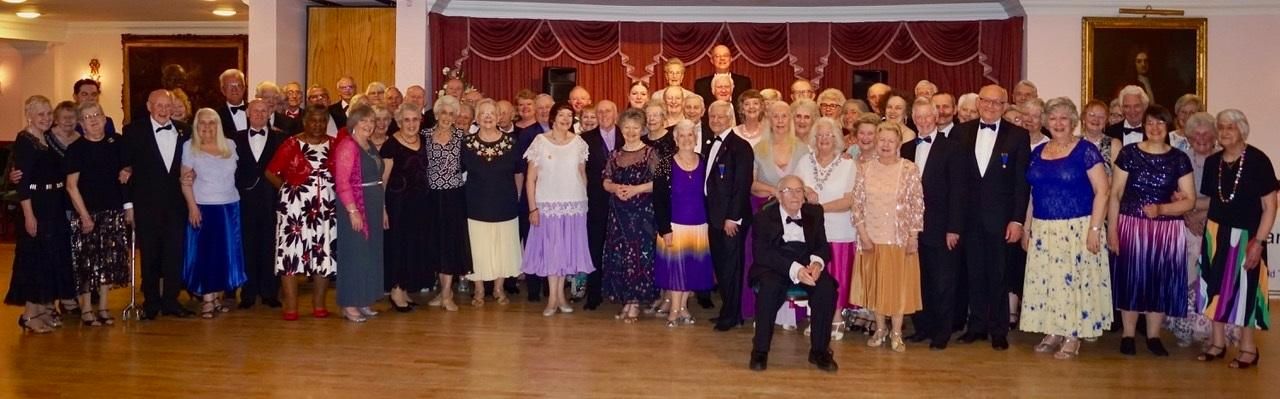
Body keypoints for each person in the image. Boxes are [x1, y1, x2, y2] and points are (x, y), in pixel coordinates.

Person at [1017, 98, 1113, 359]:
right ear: (1047, 122)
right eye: (1053, 118)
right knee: (1050, 283)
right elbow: (1031, 193)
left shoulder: (1085, 150)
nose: (1058, 123)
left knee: (1073, 283)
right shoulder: (1038, 152)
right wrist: (1027, 228)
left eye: (1064, 118)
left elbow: (1103, 191)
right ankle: (1053, 330)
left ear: (1073, 122)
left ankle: (1073, 334)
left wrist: (1094, 229)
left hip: (1078, 228)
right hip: (1044, 229)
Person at [1108, 104, 1196, 356]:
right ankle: (1127, 335)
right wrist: (1112, 229)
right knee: (1131, 280)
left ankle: (1154, 336)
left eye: (1160, 123)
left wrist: (1162, 209)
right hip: (1131, 225)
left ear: (1167, 126)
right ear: (1143, 127)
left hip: (1166, 230)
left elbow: (1189, 200)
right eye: (1150, 123)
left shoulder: (1179, 158)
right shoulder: (1128, 153)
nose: (1155, 128)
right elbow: (1115, 193)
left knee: (1160, 280)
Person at [952, 85, 1030, 351]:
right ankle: (976, 327)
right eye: (986, 101)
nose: (990, 106)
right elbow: (956, 182)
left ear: (1005, 106)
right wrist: (955, 223)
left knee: (998, 275)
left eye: (997, 103)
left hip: (1001, 219)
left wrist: (1017, 220)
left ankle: (998, 330)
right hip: (969, 218)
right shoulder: (961, 132)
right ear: (978, 103)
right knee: (973, 274)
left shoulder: (1018, 135)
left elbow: (1022, 183)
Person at [1195, 109, 1275, 369]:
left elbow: (1270, 206)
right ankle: (1217, 344)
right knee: (1215, 287)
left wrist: (1259, 242)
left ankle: (1248, 349)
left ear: (1242, 129)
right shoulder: (1213, 161)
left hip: (1248, 236)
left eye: (1230, 127)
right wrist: (1183, 203)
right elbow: (1210, 201)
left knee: (1246, 291)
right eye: (1221, 127)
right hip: (1216, 234)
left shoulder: (1258, 160)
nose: (1224, 132)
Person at [748, 175, 839, 372]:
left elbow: (823, 246)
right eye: (789, 191)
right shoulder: (763, 216)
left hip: (807, 263)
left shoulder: (814, 213)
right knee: (769, 288)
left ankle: (819, 351)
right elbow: (762, 254)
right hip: (776, 265)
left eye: (799, 191)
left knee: (827, 288)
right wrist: (796, 270)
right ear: (779, 196)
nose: (795, 195)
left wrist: (816, 264)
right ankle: (760, 350)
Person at [850, 122, 925, 353]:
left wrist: (913, 235)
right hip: (872, 237)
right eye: (881, 140)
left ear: (898, 144)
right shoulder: (865, 168)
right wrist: (863, 234)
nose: (885, 145)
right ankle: (880, 329)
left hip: (899, 239)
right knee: (877, 288)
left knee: (897, 288)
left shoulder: (909, 169)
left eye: (890, 141)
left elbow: (917, 205)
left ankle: (896, 332)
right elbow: (857, 204)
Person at [122, 90, 194, 320]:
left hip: (176, 205)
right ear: (149, 106)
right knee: (150, 255)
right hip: (146, 205)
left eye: (167, 105)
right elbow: (124, 171)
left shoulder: (184, 131)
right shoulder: (134, 131)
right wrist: (128, 206)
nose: (164, 110)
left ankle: (171, 301)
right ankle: (151, 302)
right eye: (159, 105)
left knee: (174, 254)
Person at [899, 101, 965, 350]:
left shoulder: (953, 148)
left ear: (936, 117)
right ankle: (923, 328)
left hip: (941, 228)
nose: (924, 121)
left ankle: (942, 332)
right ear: (912, 119)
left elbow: (959, 192)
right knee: (919, 281)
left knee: (943, 283)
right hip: (912, 230)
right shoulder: (905, 149)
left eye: (928, 117)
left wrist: (954, 228)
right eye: (919, 117)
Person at [6, 96, 74, 333]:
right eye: (40, 114)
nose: (45, 118)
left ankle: (42, 311)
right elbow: (22, 183)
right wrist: (29, 215)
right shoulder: (25, 140)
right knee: (34, 261)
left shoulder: (45, 138)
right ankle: (29, 316)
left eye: (48, 113)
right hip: (37, 207)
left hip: (52, 205)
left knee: (48, 260)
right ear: (29, 116)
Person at [265, 105, 336, 321]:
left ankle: (319, 305)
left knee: (322, 254)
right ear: (304, 121)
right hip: (294, 210)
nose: (317, 125)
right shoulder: (292, 143)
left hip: (325, 209)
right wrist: (288, 189)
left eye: (322, 120)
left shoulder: (334, 144)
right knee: (291, 255)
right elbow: (270, 172)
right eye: (313, 120)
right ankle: (291, 307)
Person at [522, 102, 594, 316]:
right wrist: (533, 208)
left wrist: (585, 200)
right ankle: (552, 299)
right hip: (547, 206)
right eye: (561, 115)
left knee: (565, 253)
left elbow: (582, 174)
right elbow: (530, 179)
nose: (565, 119)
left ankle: (561, 297)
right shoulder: (540, 142)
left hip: (573, 206)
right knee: (552, 252)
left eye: (570, 115)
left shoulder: (579, 142)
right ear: (553, 118)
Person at [64, 101, 131, 327]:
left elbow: (129, 165)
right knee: (86, 263)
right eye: (87, 117)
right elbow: (71, 186)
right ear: (81, 124)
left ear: (104, 118)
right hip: (87, 213)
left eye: (97, 115)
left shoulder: (117, 142)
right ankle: (85, 310)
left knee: (107, 262)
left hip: (112, 210)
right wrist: (84, 216)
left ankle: (103, 307)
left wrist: (128, 170)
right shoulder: (76, 149)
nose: (93, 120)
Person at [179, 108, 247, 319]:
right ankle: (207, 299)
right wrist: (192, 207)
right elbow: (185, 181)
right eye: (203, 123)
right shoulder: (190, 147)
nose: (207, 127)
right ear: (196, 126)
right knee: (205, 254)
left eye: (212, 122)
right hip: (203, 207)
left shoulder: (231, 145)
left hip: (229, 206)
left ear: (218, 125)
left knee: (224, 255)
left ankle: (217, 298)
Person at [796, 117, 856, 341]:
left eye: (828, 136)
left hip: (839, 230)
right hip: (811, 232)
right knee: (815, 273)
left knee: (837, 274)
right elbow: (797, 190)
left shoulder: (848, 164)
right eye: (819, 135)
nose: (823, 140)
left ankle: (837, 316)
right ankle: (815, 316)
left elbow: (849, 200)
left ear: (836, 139)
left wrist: (819, 208)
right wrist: (806, 191)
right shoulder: (804, 161)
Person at [747, 100, 808, 320]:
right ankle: (768, 311)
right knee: (770, 261)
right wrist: (777, 190)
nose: (780, 120)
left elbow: (807, 183)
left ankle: (792, 315)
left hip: (794, 215)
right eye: (775, 116)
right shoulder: (759, 148)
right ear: (769, 120)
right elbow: (751, 183)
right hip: (767, 214)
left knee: (791, 257)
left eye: (784, 116)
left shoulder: (802, 148)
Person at [653, 120, 715, 327]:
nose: (686, 139)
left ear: (695, 138)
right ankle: (674, 310)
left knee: (691, 270)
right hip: (674, 226)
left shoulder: (705, 161)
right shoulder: (665, 163)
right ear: (675, 139)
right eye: (682, 136)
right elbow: (659, 199)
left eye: (690, 135)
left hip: (700, 226)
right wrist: (664, 229)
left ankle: (684, 307)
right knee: (674, 270)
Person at [462, 101, 524, 306]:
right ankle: (478, 289)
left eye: (492, 113)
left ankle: (499, 288)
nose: (488, 117)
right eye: (483, 113)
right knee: (478, 247)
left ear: (499, 117)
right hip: (476, 203)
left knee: (503, 247)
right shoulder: (467, 143)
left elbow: (518, 173)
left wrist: (516, 197)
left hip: (505, 202)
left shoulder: (512, 142)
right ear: (476, 118)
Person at [602, 109, 659, 322]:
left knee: (639, 256)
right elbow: (605, 181)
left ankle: (635, 303)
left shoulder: (652, 153)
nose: (631, 131)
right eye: (627, 127)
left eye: (635, 127)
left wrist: (636, 189)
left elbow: (661, 183)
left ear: (642, 129)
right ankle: (626, 301)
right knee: (621, 256)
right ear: (621, 128)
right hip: (618, 214)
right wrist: (615, 187)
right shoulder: (614, 154)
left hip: (643, 214)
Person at [703, 100, 755, 332]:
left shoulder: (740, 146)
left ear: (730, 119)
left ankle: (733, 316)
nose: (715, 120)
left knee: (731, 268)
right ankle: (727, 310)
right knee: (721, 267)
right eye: (712, 117)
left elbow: (742, 185)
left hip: (729, 220)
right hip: (714, 216)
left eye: (720, 117)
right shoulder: (709, 143)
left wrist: (733, 218)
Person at [228, 100, 285, 310]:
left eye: (264, 110)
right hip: (245, 200)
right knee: (247, 245)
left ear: (270, 113)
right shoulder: (235, 139)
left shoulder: (281, 138)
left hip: (273, 200)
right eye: (255, 111)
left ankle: (270, 292)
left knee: (271, 245)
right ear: (247, 113)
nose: (260, 114)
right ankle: (249, 293)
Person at [1167, 112, 1218, 346]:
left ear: (1215, 135)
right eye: (1196, 134)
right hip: (1185, 227)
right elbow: (1172, 194)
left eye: (1207, 133)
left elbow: (1223, 199)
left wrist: (1197, 210)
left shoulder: (1222, 159)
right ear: (1188, 135)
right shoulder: (1181, 158)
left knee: (1210, 279)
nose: (1201, 138)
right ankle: (1184, 330)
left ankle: (1211, 334)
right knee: (1186, 277)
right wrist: (1188, 214)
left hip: (1215, 227)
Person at [331, 104, 385, 323]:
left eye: (372, 121)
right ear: (354, 122)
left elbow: (379, 179)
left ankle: (363, 299)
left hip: (373, 203)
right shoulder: (347, 145)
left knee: (369, 254)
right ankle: (349, 303)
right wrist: (353, 211)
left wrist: (382, 209)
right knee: (354, 254)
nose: (369, 125)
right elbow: (342, 182)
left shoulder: (370, 145)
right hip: (355, 205)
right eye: (364, 121)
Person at [424, 96, 473, 312]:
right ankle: (443, 291)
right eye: (444, 113)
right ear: (436, 114)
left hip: (454, 197)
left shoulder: (461, 137)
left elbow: (467, 166)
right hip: (431, 197)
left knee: (451, 243)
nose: (447, 117)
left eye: (452, 114)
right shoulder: (423, 136)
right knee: (435, 243)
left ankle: (446, 293)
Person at [380, 104, 432, 311]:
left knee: (413, 246)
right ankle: (395, 290)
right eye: (406, 120)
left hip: (420, 204)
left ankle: (405, 288)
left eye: (415, 119)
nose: (411, 124)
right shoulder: (391, 145)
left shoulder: (425, 141)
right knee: (398, 246)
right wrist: (382, 208)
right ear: (399, 122)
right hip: (397, 205)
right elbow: (382, 180)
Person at [579, 100, 621, 310]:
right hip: (595, 201)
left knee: (621, 248)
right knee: (594, 247)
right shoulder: (584, 139)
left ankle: (620, 291)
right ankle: (593, 294)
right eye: (600, 112)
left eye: (608, 111)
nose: (604, 115)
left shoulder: (628, 135)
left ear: (616, 114)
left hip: (624, 201)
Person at [1080, 100, 1122, 177]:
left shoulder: (1114, 144)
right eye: (1092, 115)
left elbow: (1118, 179)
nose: (1096, 119)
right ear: (1083, 118)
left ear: (1106, 121)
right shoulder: (1073, 143)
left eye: (1101, 116)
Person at [215, 69, 249, 141]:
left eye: (238, 85)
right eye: (230, 85)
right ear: (223, 90)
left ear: (244, 88)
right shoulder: (216, 115)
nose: (234, 89)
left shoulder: (256, 110)